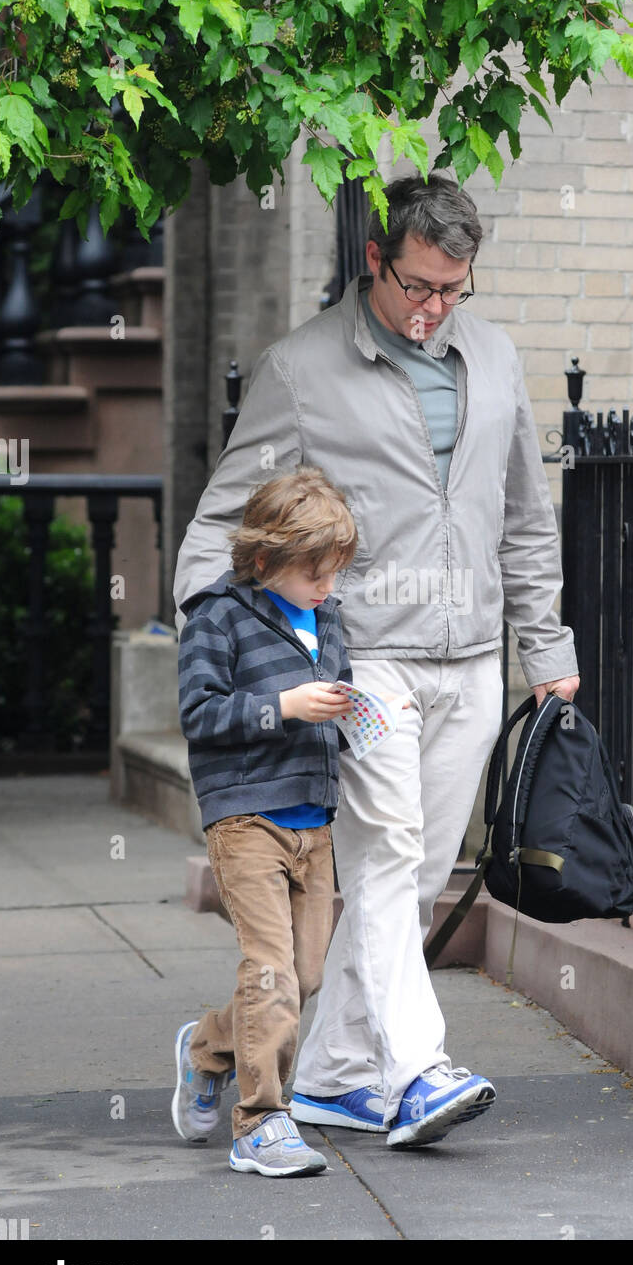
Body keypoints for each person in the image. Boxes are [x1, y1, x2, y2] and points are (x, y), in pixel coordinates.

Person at [173, 173, 580, 1151]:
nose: (435, 308)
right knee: (389, 851)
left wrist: (548, 650)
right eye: (418, 286)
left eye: (454, 289)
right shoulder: (304, 370)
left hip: (471, 660)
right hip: (370, 663)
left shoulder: (491, 356)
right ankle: (415, 1064)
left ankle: (321, 1074)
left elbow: (523, 517)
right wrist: (225, 644)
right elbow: (226, 521)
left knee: (413, 872)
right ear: (374, 262)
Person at [171, 467, 356, 1176]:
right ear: (261, 560)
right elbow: (199, 715)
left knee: (304, 976)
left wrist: (361, 716)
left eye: (334, 571)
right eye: (314, 572)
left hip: (315, 819)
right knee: (271, 972)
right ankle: (260, 1123)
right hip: (247, 819)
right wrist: (283, 706)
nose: (326, 587)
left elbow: (332, 700)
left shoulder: (328, 617)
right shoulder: (216, 615)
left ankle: (208, 1046)